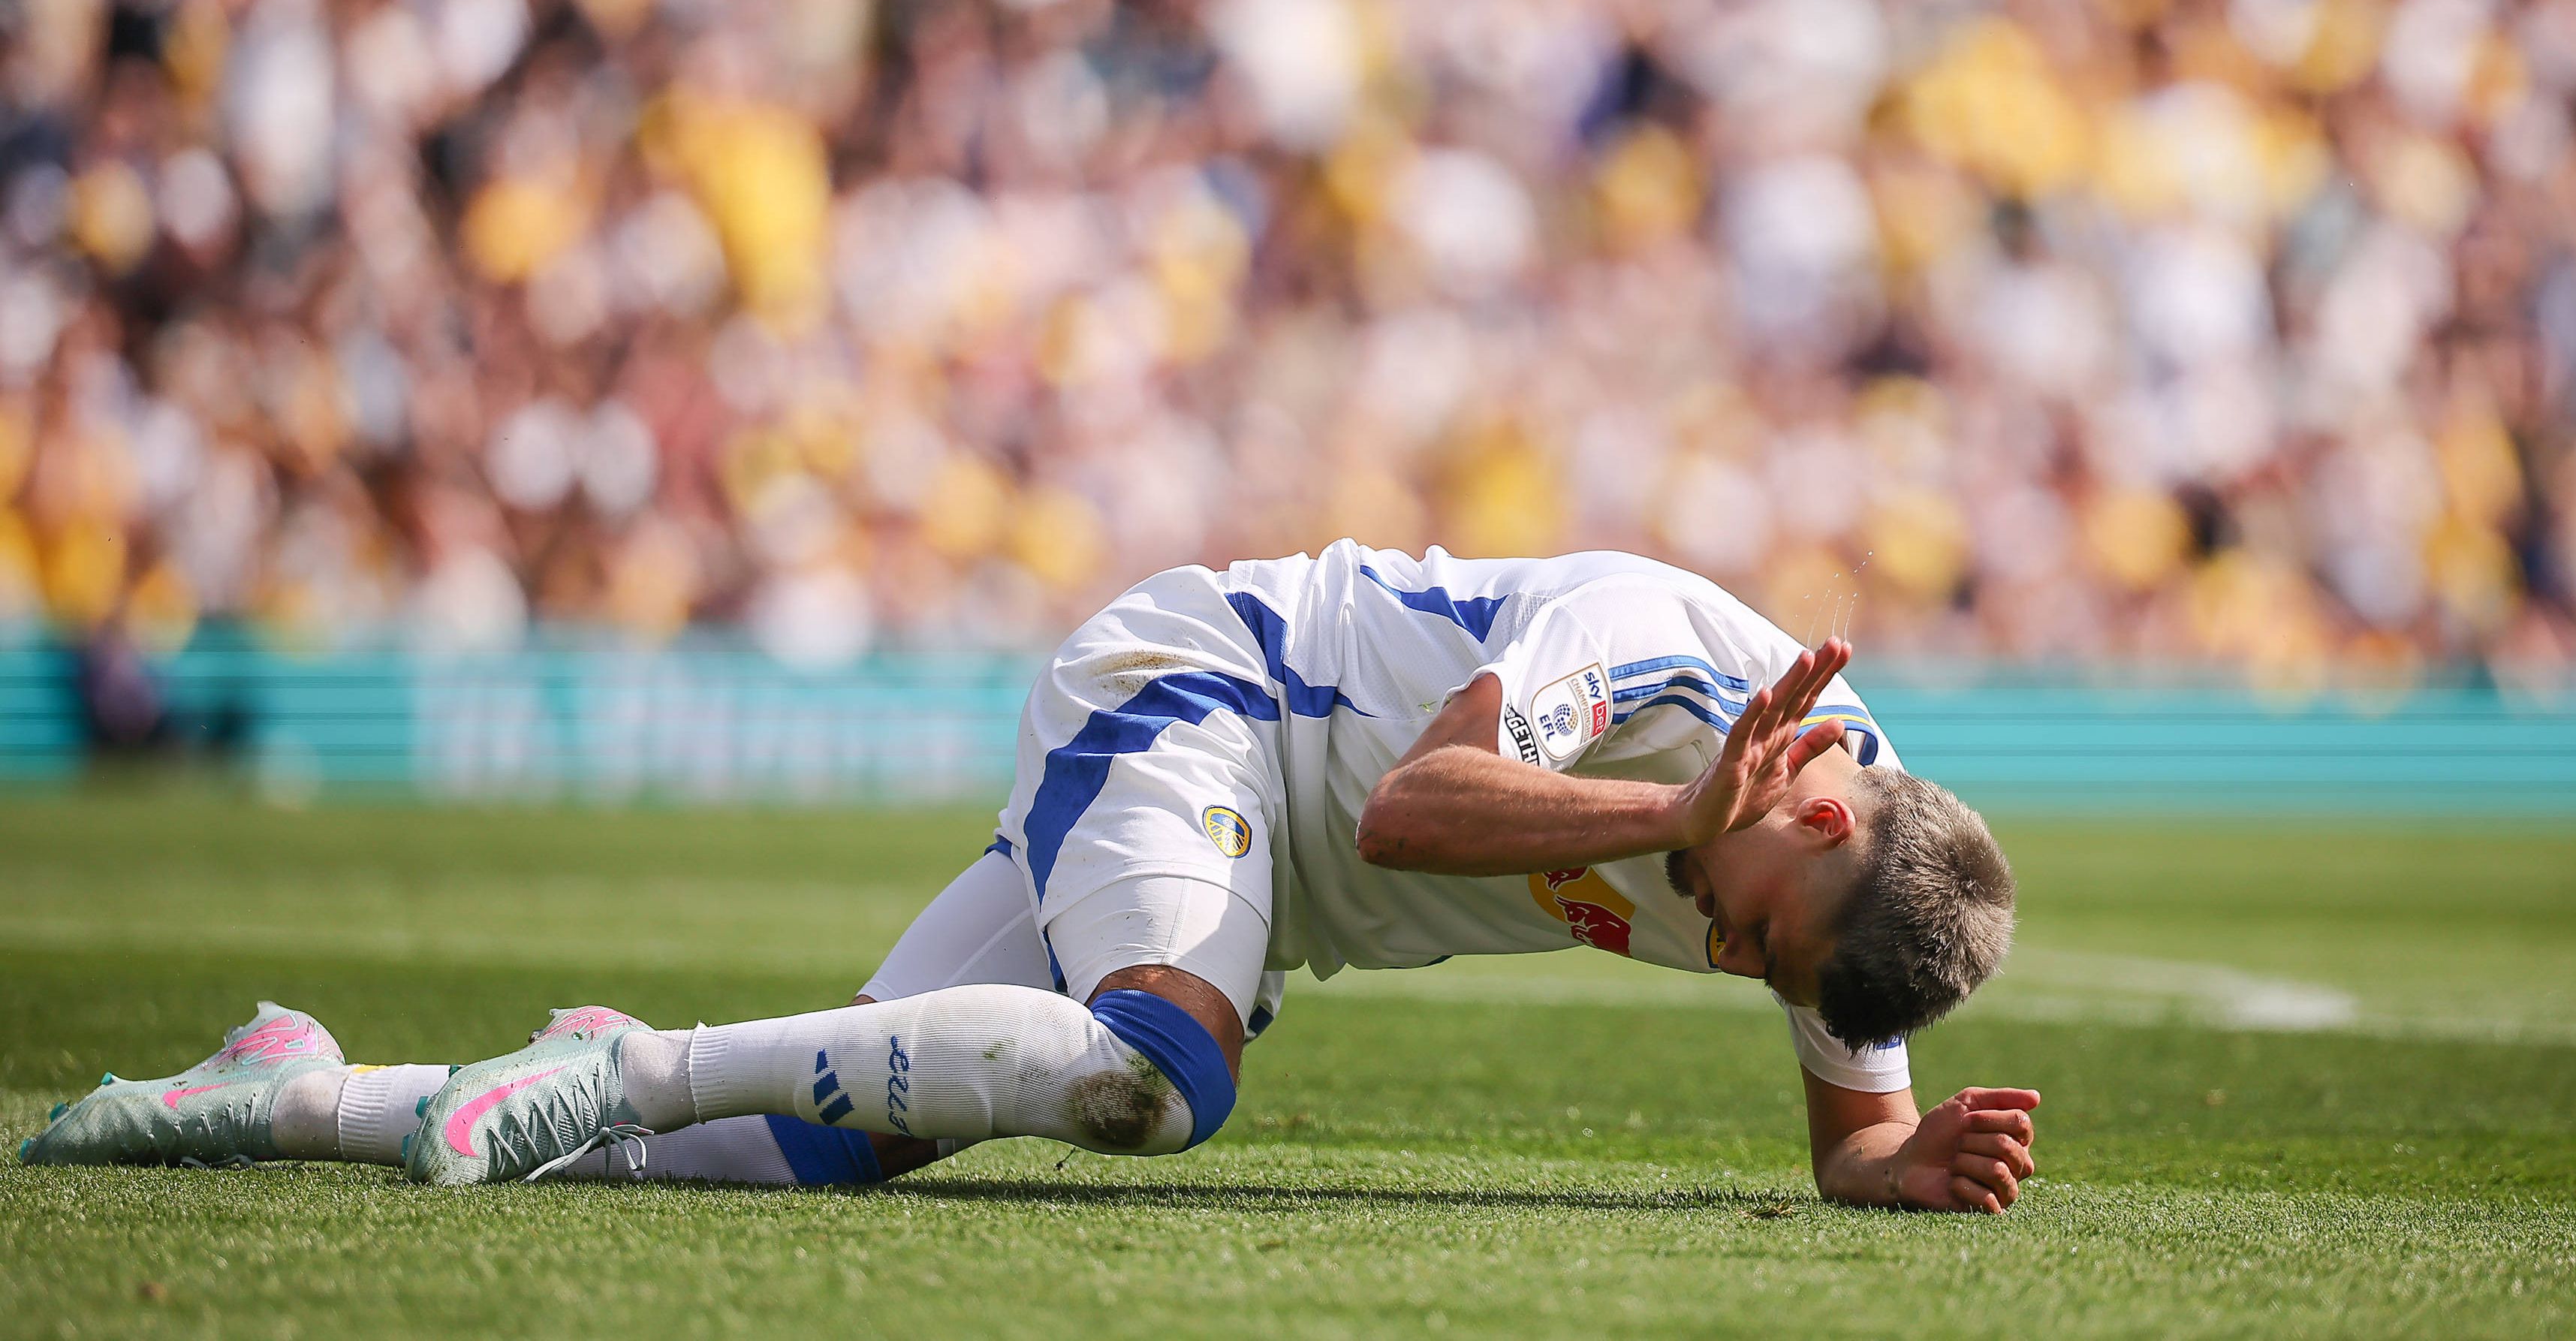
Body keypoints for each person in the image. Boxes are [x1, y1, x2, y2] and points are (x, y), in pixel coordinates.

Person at [22, 543, 2038, 1211]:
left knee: (764, 1156)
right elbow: (1414, 809)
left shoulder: (1813, 871)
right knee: (1157, 1074)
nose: (1726, 944)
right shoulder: (1674, 663)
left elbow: (1829, 1053)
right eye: (1748, 917)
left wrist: (1875, 1155)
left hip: (1244, 864)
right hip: (1210, 704)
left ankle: (289, 1085)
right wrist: (1668, 827)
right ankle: (616, 1055)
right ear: (1826, 807)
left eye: (1754, 950)